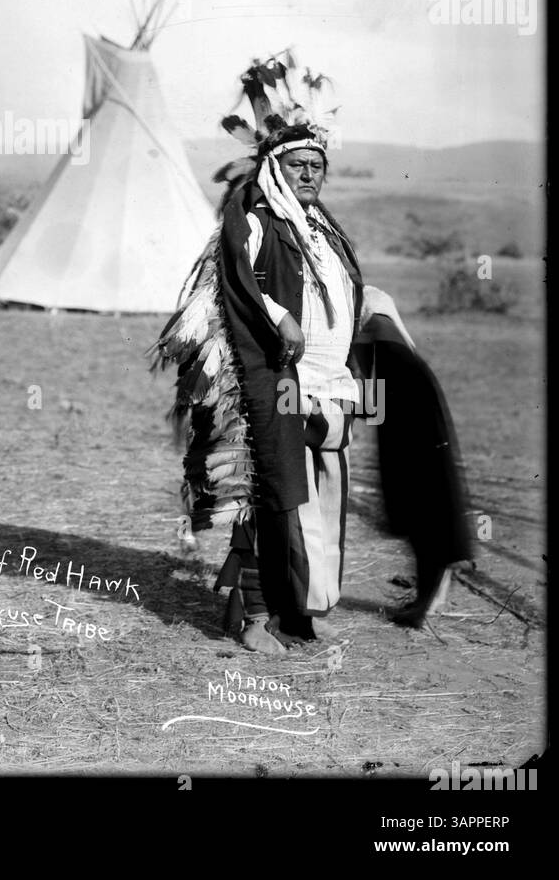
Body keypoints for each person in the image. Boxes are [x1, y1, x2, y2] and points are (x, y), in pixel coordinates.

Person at [152, 53, 469, 653]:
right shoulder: (254, 217)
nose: (309, 175)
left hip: (330, 385)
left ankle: (302, 610)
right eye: (297, 164)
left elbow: (344, 292)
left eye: (316, 167)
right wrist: (277, 317)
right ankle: (254, 619)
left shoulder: (321, 226)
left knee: (320, 501)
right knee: (271, 493)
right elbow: (233, 279)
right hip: (273, 381)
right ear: (275, 167)